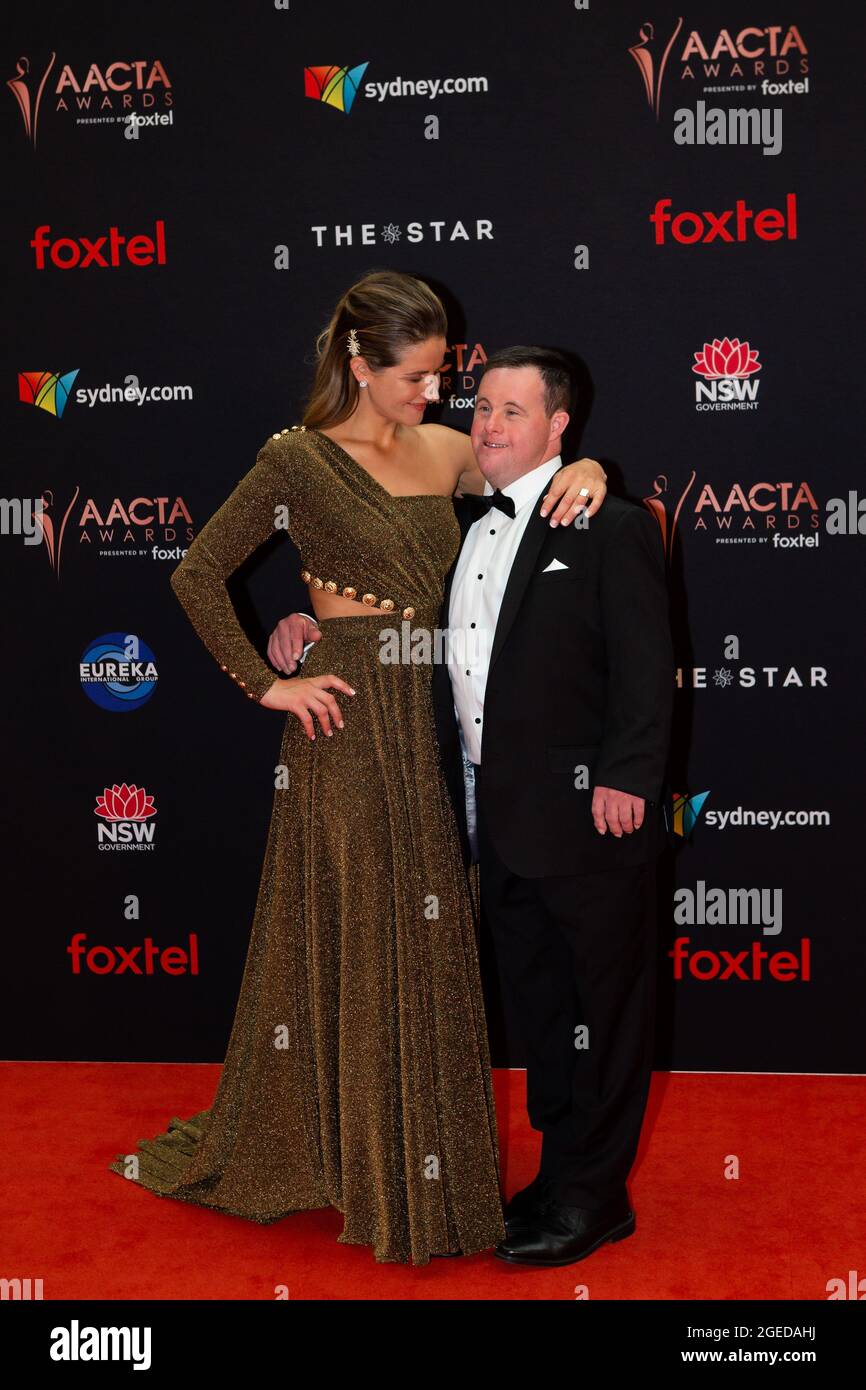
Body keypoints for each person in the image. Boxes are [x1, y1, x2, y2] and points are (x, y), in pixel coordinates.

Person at [107, 272, 608, 1266]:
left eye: (441, 374)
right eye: (415, 376)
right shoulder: (297, 459)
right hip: (342, 723)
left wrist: (587, 468)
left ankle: (422, 1166)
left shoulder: (449, 449)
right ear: (358, 364)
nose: (435, 394)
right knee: (374, 936)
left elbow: (525, 476)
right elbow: (196, 573)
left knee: (429, 940)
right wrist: (265, 682)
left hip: (436, 713)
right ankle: (381, 1181)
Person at [278, 344, 673, 1268]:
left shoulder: (607, 522)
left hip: (589, 814)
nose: (489, 425)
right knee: (541, 1011)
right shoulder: (461, 518)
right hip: (490, 815)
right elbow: (374, 588)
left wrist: (627, 777)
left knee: (605, 1012)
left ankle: (596, 1198)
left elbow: (648, 672)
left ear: (559, 425)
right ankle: (559, 1173)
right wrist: (304, 620)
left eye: (513, 411)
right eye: (482, 407)